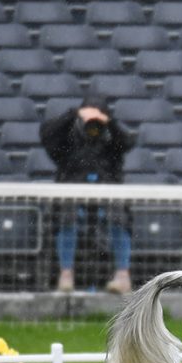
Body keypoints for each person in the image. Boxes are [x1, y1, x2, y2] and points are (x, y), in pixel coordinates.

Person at [39, 94, 135, 293]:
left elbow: (128, 142)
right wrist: (73, 114)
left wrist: (108, 121)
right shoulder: (67, 139)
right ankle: (66, 274)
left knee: (118, 214)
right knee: (66, 214)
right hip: (72, 191)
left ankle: (123, 276)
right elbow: (46, 135)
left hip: (108, 190)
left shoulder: (111, 139)